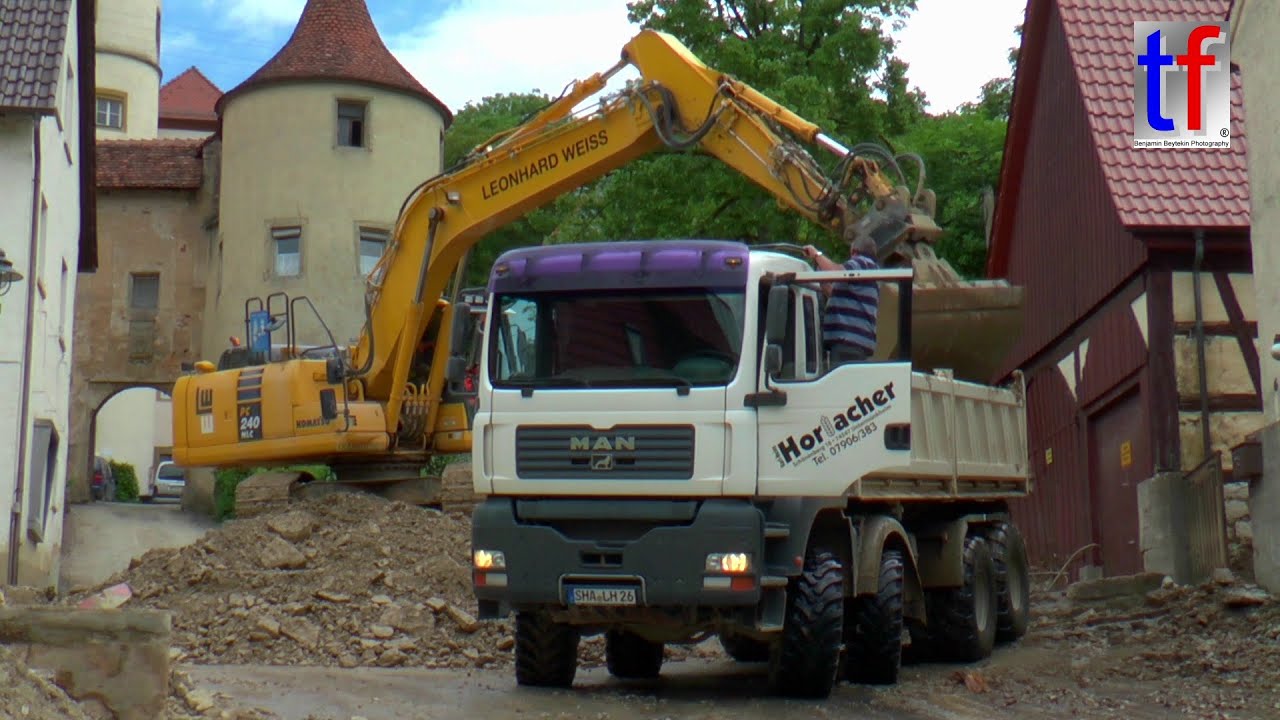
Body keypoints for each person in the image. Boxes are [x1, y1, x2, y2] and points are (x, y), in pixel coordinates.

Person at [802, 235, 879, 364]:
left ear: (854, 251)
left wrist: (816, 254)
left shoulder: (862, 263)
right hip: (853, 343)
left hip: (848, 342)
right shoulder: (868, 272)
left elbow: (836, 271)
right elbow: (834, 293)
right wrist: (823, 280)